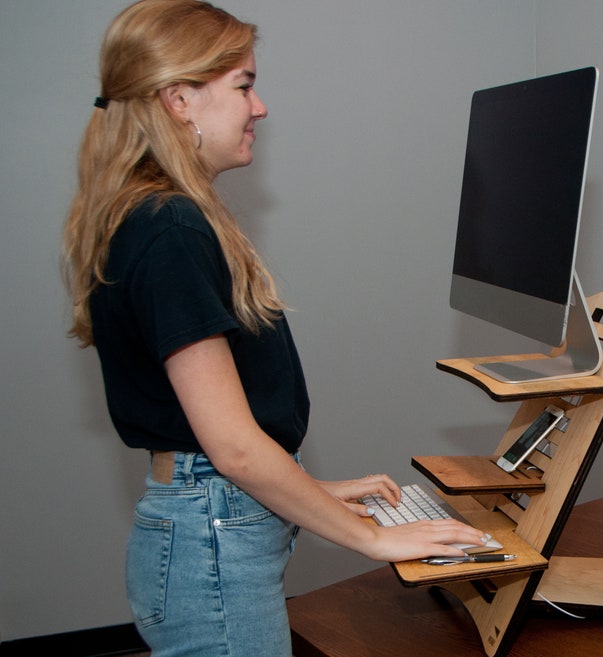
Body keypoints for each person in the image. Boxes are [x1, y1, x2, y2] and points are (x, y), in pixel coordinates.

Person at [61, 1, 489, 656]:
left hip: (203, 521)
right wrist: (376, 538)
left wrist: (313, 490)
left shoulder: (154, 216)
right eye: (243, 85)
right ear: (179, 99)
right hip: (210, 538)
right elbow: (230, 448)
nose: (259, 107)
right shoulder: (170, 227)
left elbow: (214, 445)